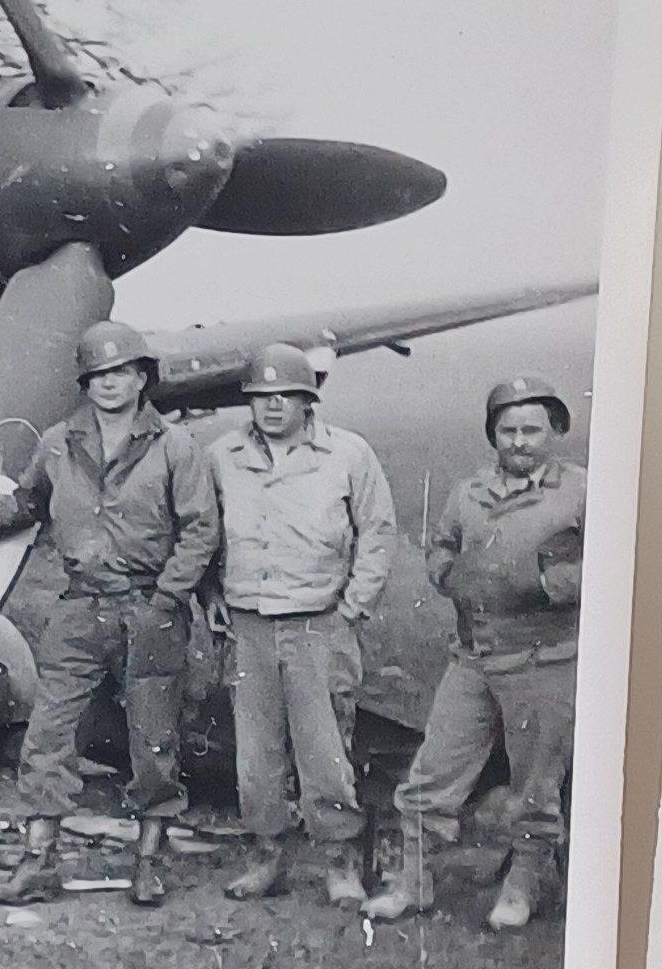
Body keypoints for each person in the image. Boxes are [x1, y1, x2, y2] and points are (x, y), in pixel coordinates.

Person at [0, 320, 219, 907]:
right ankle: (39, 862)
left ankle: (148, 862)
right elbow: (27, 503)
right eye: (99, 375)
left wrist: (168, 598)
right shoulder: (59, 442)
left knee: (154, 741)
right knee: (47, 736)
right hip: (80, 609)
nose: (110, 384)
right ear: (84, 382)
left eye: (122, 372)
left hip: (150, 610)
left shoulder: (175, 447)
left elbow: (200, 530)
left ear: (142, 378)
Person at [362, 375, 586, 930]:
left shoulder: (582, 492)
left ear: (555, 430)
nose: (519, 441)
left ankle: (522, 885)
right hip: (472, 659)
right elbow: (440, 546)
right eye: (507, 430)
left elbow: (620, 560)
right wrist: (447, 574)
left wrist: (545, 582)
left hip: (545, 661)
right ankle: (413, 883)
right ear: (493, 436)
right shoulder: (470, 492)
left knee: (536, 787)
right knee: (430, 775)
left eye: (531, 429)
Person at [201, 342, 396, 906]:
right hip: (248, 623)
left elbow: (378, 534)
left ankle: (340, 862)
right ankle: (266, 856)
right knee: (255, 753)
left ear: (309, 401)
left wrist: (352, 609)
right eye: (262, 397)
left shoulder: (348, 454)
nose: (273, 407)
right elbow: (202, 533)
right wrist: (211, 593)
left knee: (325, 749)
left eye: (286, 396)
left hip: (319, 622)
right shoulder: (223, 456)